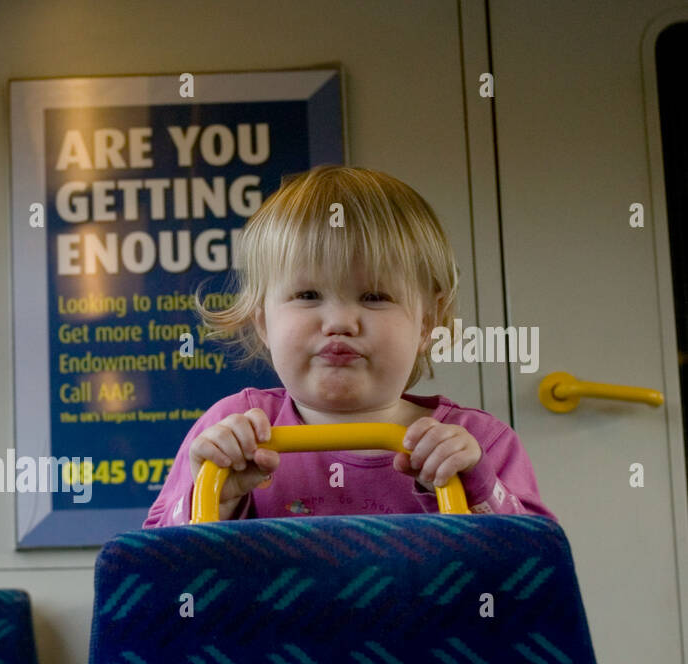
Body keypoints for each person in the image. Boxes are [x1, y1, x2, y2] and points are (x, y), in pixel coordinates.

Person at [145, 165, 555, 527]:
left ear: (428, 321)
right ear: (264, 322)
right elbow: (155, 573)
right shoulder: (234, 430)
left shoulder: (475, 442)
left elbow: (537, 576)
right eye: (307, 295)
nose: (340, 321)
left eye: (375, 296)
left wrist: (478, 489)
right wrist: (213, 498)